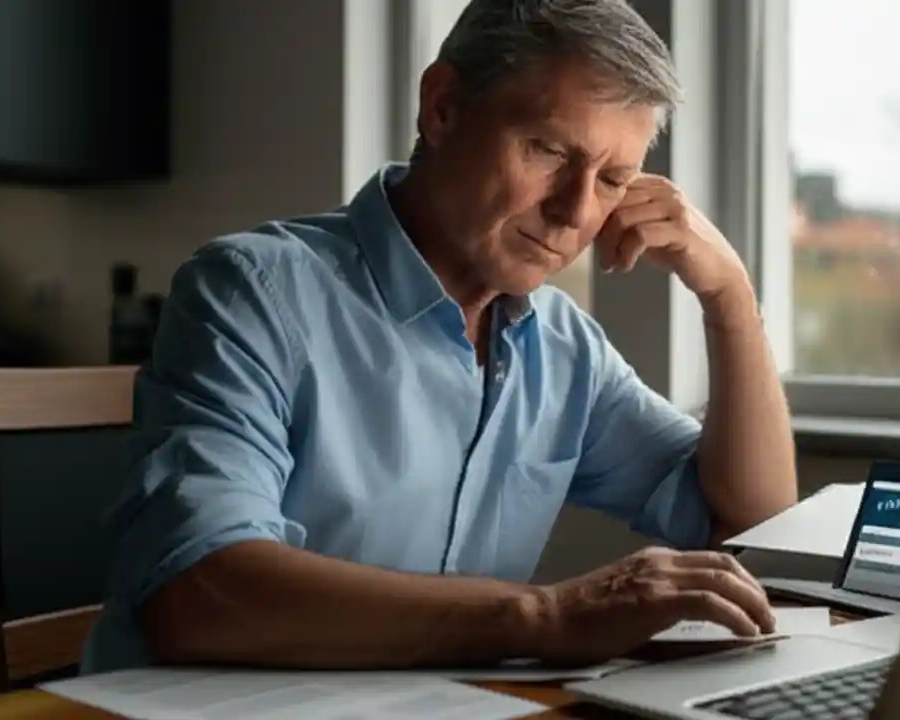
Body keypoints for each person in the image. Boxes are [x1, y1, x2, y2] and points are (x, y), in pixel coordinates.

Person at [83, 0, 797, 673]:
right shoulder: (251, 291)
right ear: (443, 107)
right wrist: (543, 617)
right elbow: (198, 595)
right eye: (548, 150)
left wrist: (730, 299)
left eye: (613, 179)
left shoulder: (564, 347)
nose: (575, 212)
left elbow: (749, 525)